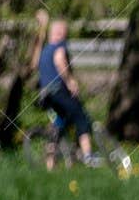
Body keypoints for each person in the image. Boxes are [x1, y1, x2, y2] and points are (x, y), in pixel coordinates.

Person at [31, 12, 101, 168]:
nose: (64, 35)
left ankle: (50, 166)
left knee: (58, 126)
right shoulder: (59, 46)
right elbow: (60, 61)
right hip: (59, 91)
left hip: (45, 96)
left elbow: (33, 64)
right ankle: (88, 156)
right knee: (81, 116)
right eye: (63, 32)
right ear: (60, 33)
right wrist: (70, 81)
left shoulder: (44, 50)